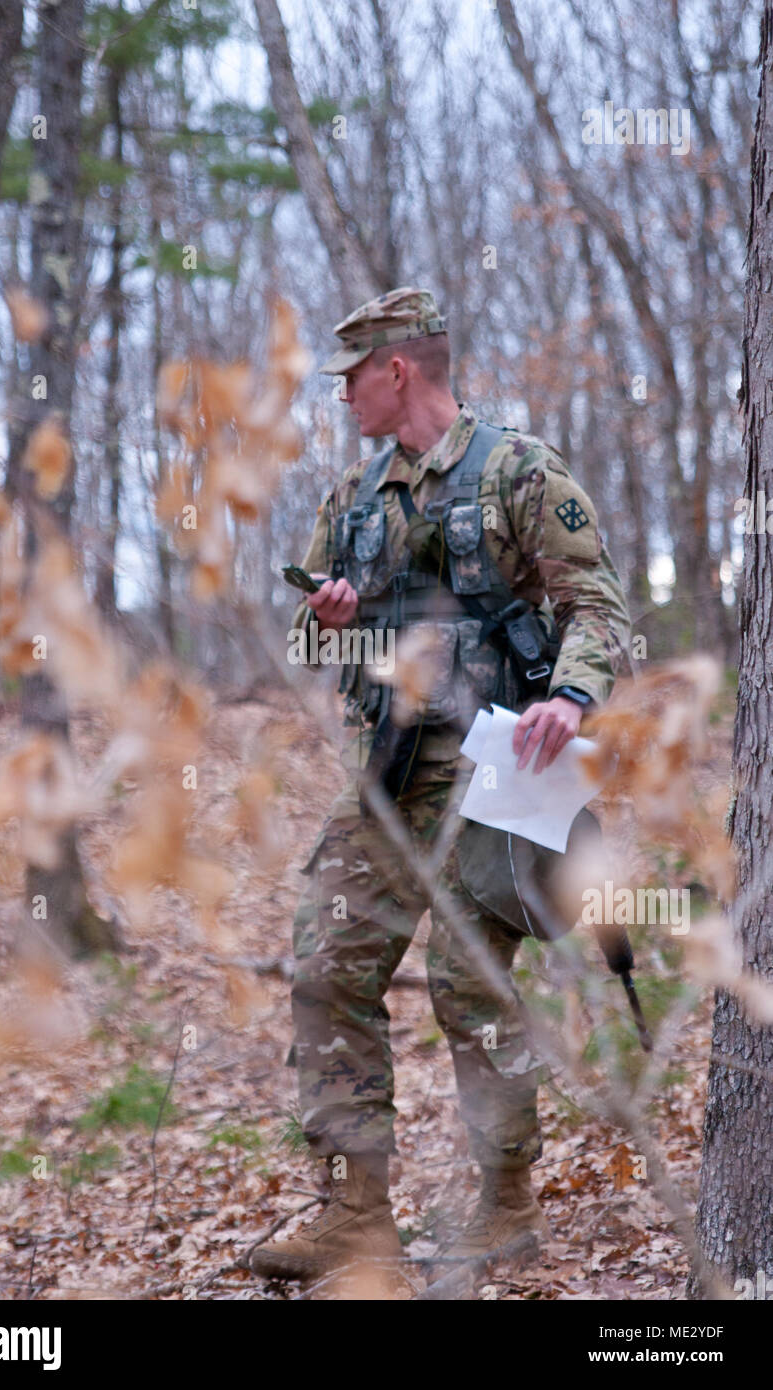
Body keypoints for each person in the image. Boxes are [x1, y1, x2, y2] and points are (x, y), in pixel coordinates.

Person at [251, 287, 631, 1284]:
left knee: (472, 990)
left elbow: (594, 602)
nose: (339, 397)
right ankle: (350, 1210)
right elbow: (304, 631)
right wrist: (328, 620)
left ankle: (505, 1205)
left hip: (492, 773)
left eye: (348, 379)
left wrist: (572, 697)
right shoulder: (352, 498)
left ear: (397, 371)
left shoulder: (516, 469)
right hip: (385, 772)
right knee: (325, 961)